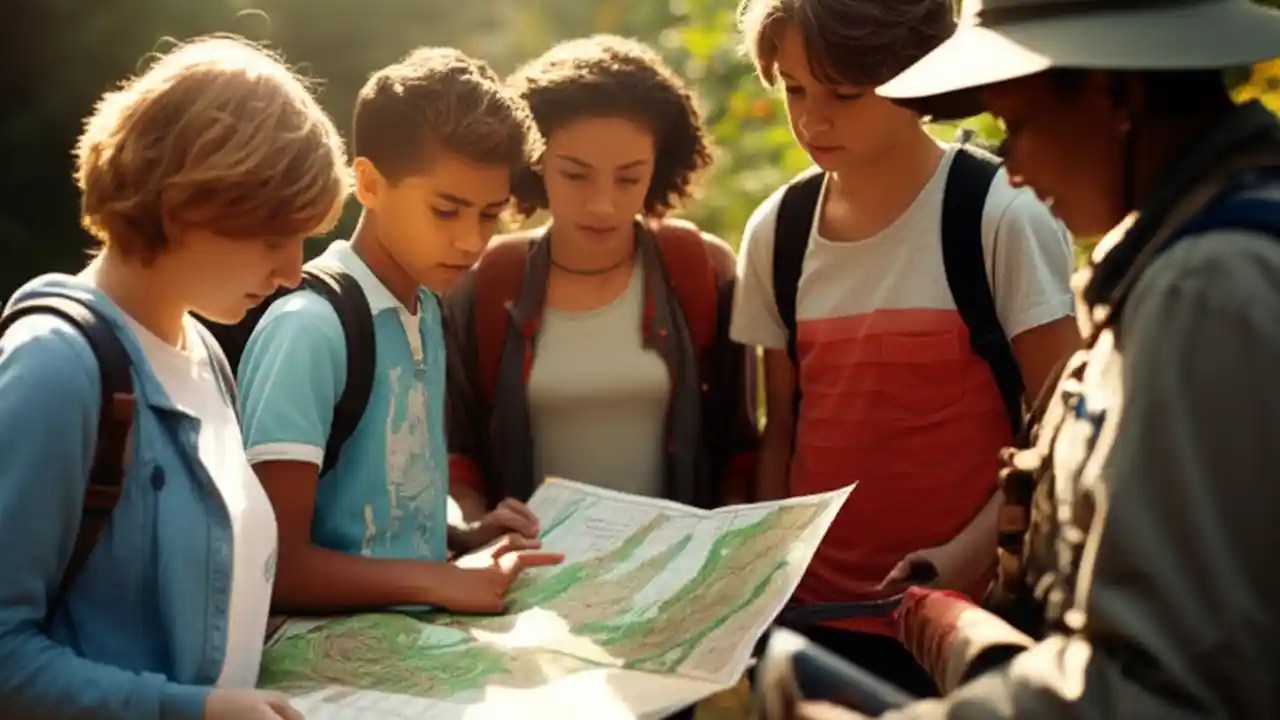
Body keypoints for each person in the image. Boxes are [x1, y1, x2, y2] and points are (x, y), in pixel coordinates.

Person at [778, 0, 1280, 717]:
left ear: (1114, 97)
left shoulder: (1205, 289)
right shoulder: (1195, 258)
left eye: (1017, 126)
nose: (1010, 169)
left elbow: (1165, 685)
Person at [731, 0, 1081, 696]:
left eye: (843, 94)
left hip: (967, 624)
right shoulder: (778, 230)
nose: (812, 120)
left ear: (918, 77)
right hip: (812, 619)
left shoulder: (1001, 215)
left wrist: (963, 556)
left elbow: (1064, 433)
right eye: (794, 89)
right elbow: (783, 429)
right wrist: (771, 581)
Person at [0, 35, 349, 720]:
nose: (293, 272)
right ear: (189, 204)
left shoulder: (205, 351)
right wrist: (194, 710)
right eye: (274, 238)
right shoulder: (53, 368)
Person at [236, 47, 560, 617]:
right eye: (446, 210)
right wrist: (439, 580)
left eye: (489, 214)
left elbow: (377, 510)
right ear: (369, 183)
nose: (472, 241)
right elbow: (275, 568)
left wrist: (460, 536)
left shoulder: (427, 308)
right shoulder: (309, 329)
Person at [445, 34, 758, 517]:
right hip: (533, 560)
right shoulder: (486, 283)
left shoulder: (702, 271)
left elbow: (741, 447)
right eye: (575, 174)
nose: (602, 204)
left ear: (658, 167)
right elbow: (455, 450)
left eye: (629, 178)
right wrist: (475, 524)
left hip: (676, 557)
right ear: (535, 162)